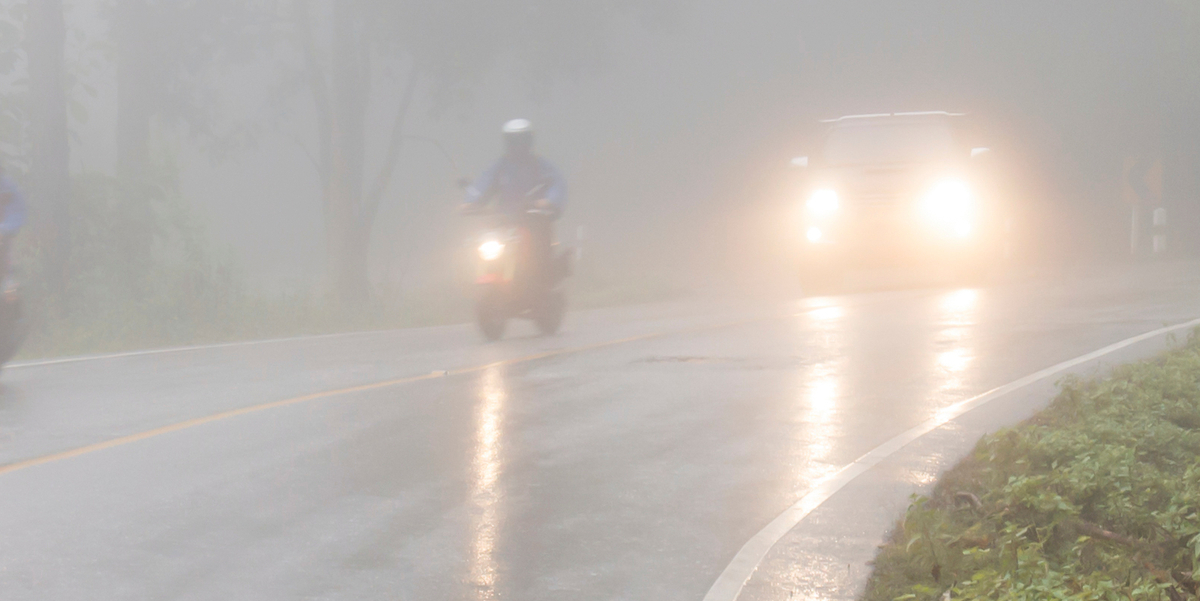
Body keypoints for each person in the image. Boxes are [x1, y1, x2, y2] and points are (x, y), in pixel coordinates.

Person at [462, 119, 567, 281]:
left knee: (540, 249)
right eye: (513, 140)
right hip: (504, 221)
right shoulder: (500, 166)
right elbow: (483, 183)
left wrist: (548, 201)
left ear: (529, 141)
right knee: (482, 244)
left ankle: (540, 281)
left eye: (521, 140)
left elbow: (556, 183)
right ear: (507, 142)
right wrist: (471, 202)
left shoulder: (540, 165)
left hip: (534, 219)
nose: (517, 145)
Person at [0, 164, 26, 279]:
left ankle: (8, 275)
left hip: (11, 222)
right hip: (8, 222)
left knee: (5, 246)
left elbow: (4, 203)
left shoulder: (5, 183)